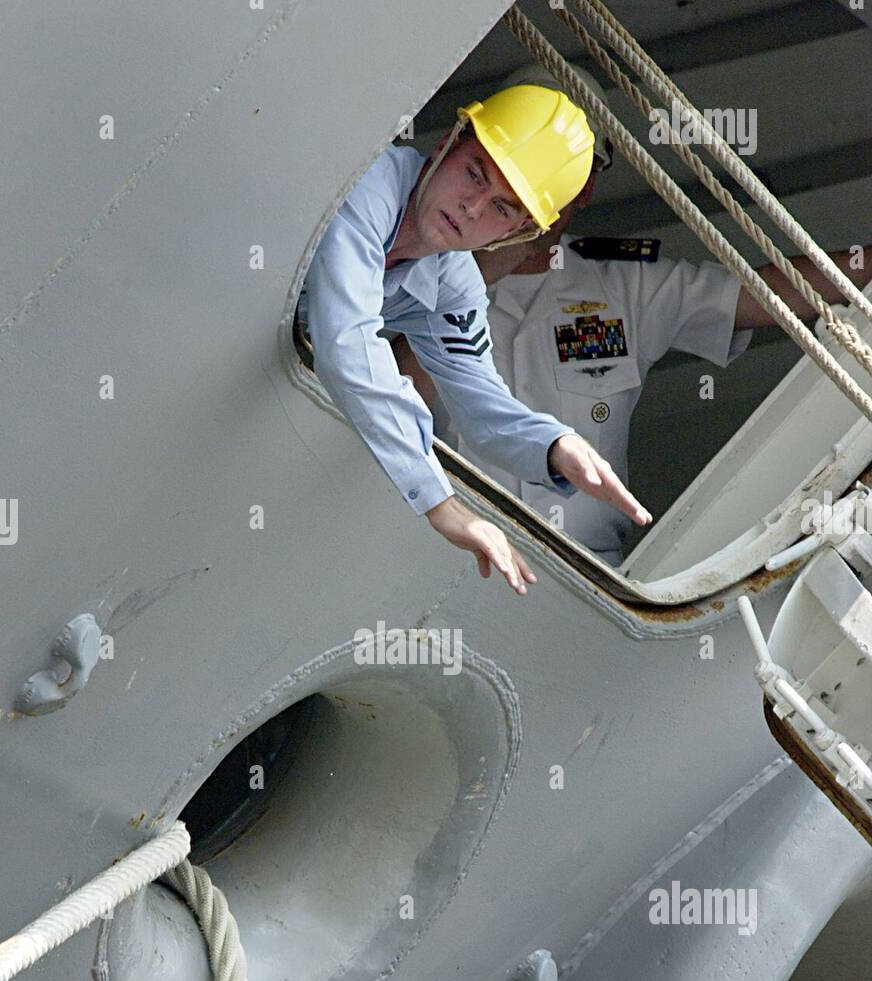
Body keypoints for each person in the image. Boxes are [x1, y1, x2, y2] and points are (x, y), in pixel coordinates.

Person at [394, 63, 872, 568]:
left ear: (585, 188)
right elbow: (386, 390)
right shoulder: (418, 263)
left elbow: (765, 295)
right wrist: (479, 272)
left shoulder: (622, 281)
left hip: (591, 571)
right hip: (452, 557)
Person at [296, 81, 652, 597]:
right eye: (474, 174)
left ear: (519, 233)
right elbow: (345, 346)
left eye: (503, 209)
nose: (471, 208)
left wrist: (555, 445)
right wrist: (441, 506)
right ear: (446, 144)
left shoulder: (451, 279)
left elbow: (479, 400)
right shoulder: (367, 186)